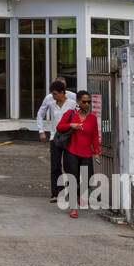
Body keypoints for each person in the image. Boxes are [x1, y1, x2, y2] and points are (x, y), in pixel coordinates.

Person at [56, 90, 101, 219]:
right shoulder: (70, 114)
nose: (87, 104)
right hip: (72, 151)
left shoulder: (92, 118)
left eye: (89, 102)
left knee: (88, 179)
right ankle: (73, 208)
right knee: (73, 178)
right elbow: (59, 127)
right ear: (78, 101)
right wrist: (71, 125)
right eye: (84, 102)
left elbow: (94, 137)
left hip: (86, 153)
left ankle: (77, 195)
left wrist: (97, 153)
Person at [36, 79, 72, 204]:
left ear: (63, 92)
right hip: (55, 137)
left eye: (56, 94)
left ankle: (72, 191)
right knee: (55, 166)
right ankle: (55, 193)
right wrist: (41, 131)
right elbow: (40, 114)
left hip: (69, 138)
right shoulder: (51, 102)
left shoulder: (72, 103)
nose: (53, 96)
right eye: (52, 94)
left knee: (69, 166)